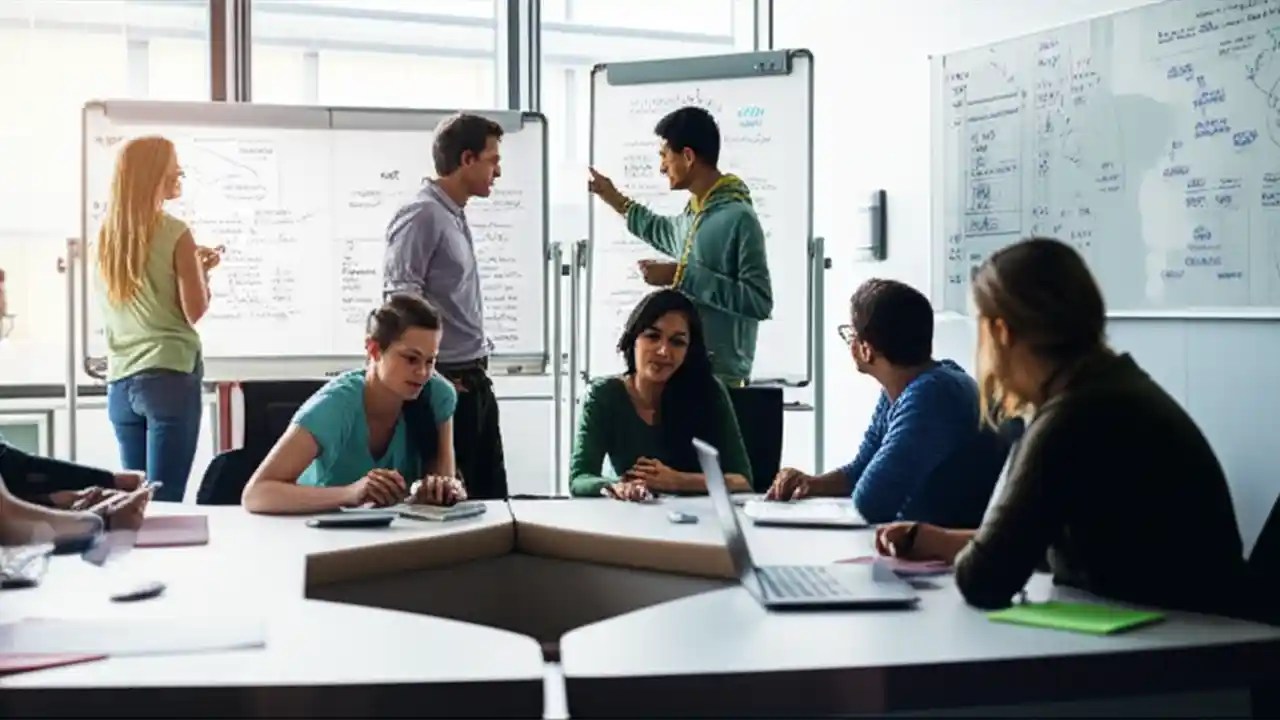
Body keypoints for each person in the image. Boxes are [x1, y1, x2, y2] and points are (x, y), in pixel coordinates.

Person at [875, 237, 1257, 619]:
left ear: (1002, 332)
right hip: (1200, 629)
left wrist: (1027, 434)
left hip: (1187, 652)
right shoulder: (1113, 386)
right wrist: (940, 541)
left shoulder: (1072, 415)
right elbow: (1038, 544)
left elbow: (984, 581)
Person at [766, 279, 1007, 526]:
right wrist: (811, 483)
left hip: (953, 552)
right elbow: (861, 469)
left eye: (851, 334)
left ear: (866, 349)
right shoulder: (908, 387)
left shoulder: (933, 394)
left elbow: (871, 502)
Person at [588, 106, 772, 387]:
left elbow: (759, 302)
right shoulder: (694, 214)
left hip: (722, 383)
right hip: (683, 375)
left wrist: (681, 276)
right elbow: (659, 230)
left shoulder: (739, 218)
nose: (661, 167)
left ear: (687, 157)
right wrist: (613, 198)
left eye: (664, 156)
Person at [242, 294, 462, 514]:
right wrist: (351, 493)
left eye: (430, 361)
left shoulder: (437, 395)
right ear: (374, 350)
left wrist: (437, 491)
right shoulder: (334, 405)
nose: (423, 373)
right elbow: (256, 494)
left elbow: (443, 485)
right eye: (411, 359)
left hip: (396, 535)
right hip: (321, 531)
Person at [384, 112, 508, 500]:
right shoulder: (423, 214)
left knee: (490, 497)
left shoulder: (452, 213)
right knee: (449, 502)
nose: (498, 172)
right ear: (467, 159)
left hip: (473, 377)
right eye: (492, 160)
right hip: (445, 380)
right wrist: (433, 376)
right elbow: (400, 300)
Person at [96, 136, 222, 503]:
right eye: (173, 164)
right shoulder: (175, 233)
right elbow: (193, 311)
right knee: (166, 503)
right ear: (156, 174)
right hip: (168, 377)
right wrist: (202, 271)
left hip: (120, 383)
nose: (179, 170)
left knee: (135, 504)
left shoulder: (104, 239)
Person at [570, 289, 752, 501]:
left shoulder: (707, 391)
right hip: (630, 518)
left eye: (677, 342)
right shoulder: (604, 395)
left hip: (697, 523)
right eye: (652, 336)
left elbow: (742, 480)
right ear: (633, 339)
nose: (664, 351)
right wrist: (616, 486)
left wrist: (676, 481)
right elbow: (580, 478)